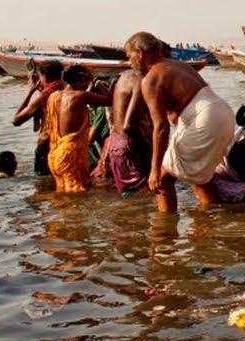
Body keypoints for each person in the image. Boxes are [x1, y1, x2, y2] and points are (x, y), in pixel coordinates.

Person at [131, 31, 234, 212]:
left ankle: (164, 233)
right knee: (200, 178)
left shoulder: (151, 79)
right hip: (223, 114)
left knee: (162, 179)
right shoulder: (179, 65)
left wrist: (154, 170)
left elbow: (161, 127)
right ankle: (209, 221)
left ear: (139, 52)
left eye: (129, 56)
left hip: (205, 118)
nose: (129, 62)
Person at [45, 65, 111, 193]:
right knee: (77, 199)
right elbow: (111, 100)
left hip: (55, 154)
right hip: (70, 156)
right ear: (81, 79)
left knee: (63, 199)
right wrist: (97, 82)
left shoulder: (54, 97)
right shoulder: (80, 96)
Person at [101, 44, 152, 193]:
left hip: (116, 144)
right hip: (131, 144)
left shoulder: (124, 76)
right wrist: (149, 149)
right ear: (143, 55)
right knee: (145, 196)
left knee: (128, 196)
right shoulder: (141, 81)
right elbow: (129, 125)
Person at [12, 60, 64, 177]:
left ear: (44, 76)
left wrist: (30, 92)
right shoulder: (67, 90)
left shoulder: (45, 95)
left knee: (42, 187)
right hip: (63, 146)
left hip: (46, 145)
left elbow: (16, 120)